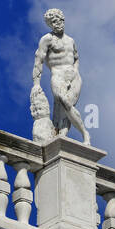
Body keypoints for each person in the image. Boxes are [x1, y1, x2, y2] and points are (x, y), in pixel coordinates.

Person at [32, 9, 86, 143]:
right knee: (64, 102)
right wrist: (36, 84)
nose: (58, 24)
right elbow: (38, 61)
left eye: (59, 21)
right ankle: (85, 133)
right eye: (53, 22)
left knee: (66, 109)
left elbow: (76, 58)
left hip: (74, 77)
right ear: (50, 25)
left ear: (63, 20)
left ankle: (62, 135)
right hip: (57, 75)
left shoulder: (71, 41)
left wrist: (75, 72)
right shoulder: (47, 40)